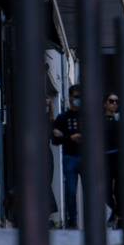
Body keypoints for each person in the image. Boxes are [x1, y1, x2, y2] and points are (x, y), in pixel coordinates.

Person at [51, 83, 82, 228]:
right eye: (76, 97)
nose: (78, 100)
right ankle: (73, 220)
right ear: (70, 98)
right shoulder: (63, 117)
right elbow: (55, 139)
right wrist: (70, 138)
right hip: (70, 157)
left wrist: (65, 135)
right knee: (70, 191)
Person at [103, 92, 120, 227]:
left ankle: (118, 216)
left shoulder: (119, 120)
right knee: (107, 189)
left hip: (118, 158)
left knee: (119, 189)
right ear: (105, 104)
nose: (114, 104)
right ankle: (111, 214)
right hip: (105, 158)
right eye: (111, 101)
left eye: (116, 102)